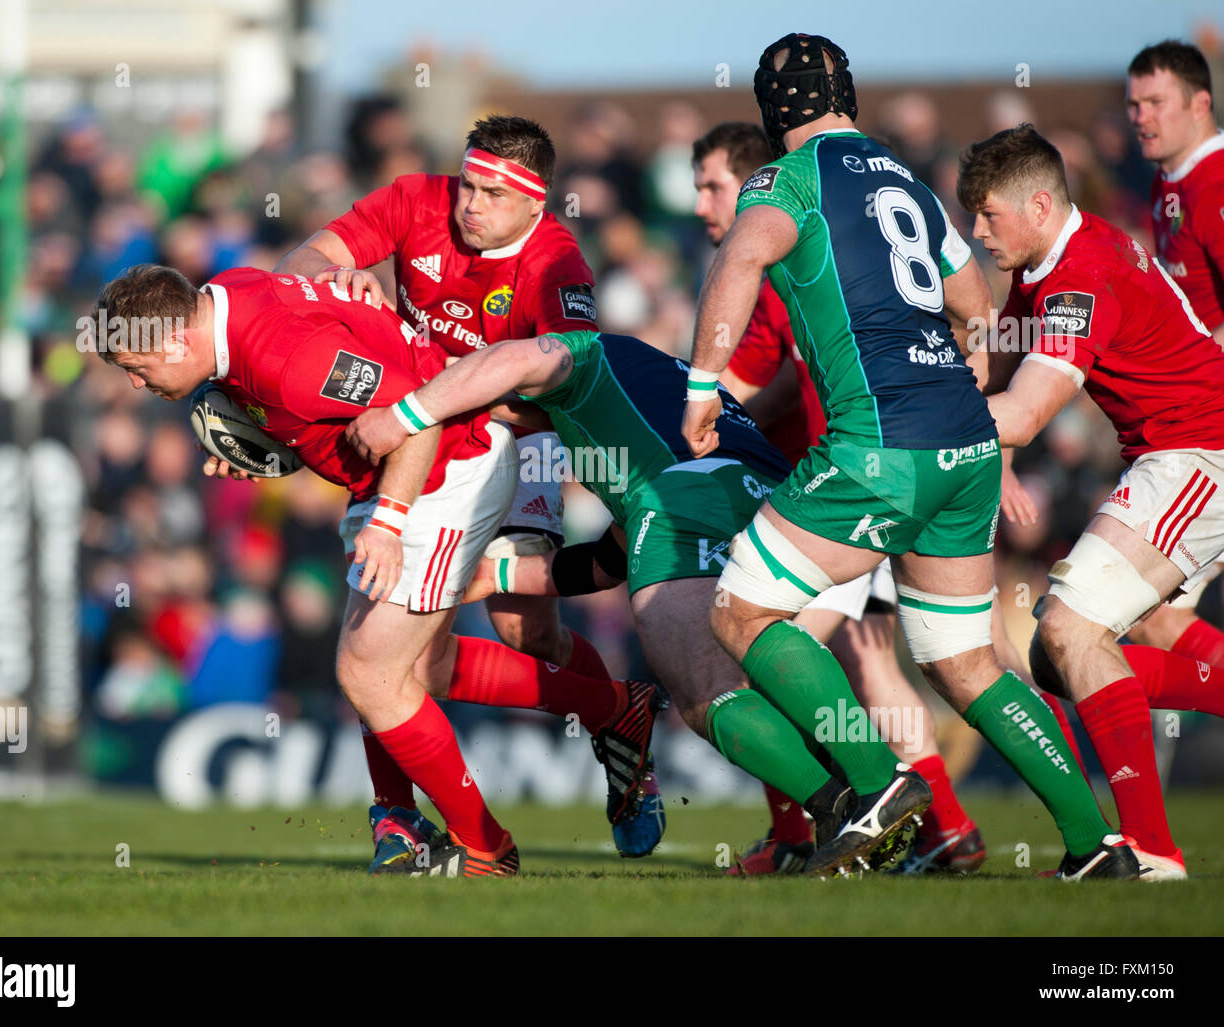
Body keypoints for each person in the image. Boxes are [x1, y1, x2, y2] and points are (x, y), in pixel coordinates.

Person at [681, 33, 1132, 879]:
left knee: (740, 610)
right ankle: (1092, 844)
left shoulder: (782, 181)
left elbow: (741, 254)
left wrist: (704, 383)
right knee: (963, 662)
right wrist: (957, 364)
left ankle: (874, 783)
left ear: (772, 110)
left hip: (879, 443)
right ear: (845, 94)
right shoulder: (907, 182)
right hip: (966, 443)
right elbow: (977, 300)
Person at [92, 262, 663, 876]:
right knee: (420, 668)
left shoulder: (283, 358)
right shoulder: (228, 292)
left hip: (441, 475)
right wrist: (263, 441)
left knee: (368, 675)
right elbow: (327, 373)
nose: (133, 382)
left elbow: (414, 411)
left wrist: (388, 524)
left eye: (135, 365)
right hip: (397, 482)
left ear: (176, 339)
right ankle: (602, 714)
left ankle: (483, 844)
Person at [349, 327, 930, 877]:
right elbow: (607, 563)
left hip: (689, 491)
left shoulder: (584, 357)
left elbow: (506, 362)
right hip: (770, 493)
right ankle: (862, 795)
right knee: (754, 645)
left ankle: (857, 793)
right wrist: (496, 573)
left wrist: (408, 411)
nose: (494, 413)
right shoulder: (634, 403)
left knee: (705, 690)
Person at [694, 120, 987, 874]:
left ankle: (832, 818)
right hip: (875, 475)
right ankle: (944, 825)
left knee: (751, 641)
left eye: (714, 185)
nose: (701, 204)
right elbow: (757, 388)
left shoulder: (792, 250)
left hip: (862, 479)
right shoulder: (797, 263)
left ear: (761, 182)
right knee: (882, 665)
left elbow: (733, 386)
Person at [959, 124, 1224, 880]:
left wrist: (912, 429)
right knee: (1060, 654)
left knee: (1073, 629)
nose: (977, 231)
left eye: (987, 215)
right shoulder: (1041, 262)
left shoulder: (1077, 278)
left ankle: (1150, 852)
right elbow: (995, 366)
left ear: (1038, 204)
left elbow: (1028, 409)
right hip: (1172, 455)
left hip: (1200, 453)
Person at [275, 115, 604, 684]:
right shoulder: (414, 199)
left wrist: (443, 389)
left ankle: (617, 714)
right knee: (394, 644)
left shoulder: (558, 268)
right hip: (417, 434)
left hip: (521, 444)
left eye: (493, 194)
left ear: (535, 204)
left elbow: (566, 403)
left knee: (528, 634)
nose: (470, 205)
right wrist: (335, 279)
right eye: (468, 185)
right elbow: (294, 268)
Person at [1122, 41, 1224, 664]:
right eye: (1133, 104)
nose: (1139, 116)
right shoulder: (1170, 181)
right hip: (1195, 424)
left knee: (1131, 605)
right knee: (1152, 617)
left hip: (1208, 435)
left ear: (1200, 103)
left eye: (1155, 101)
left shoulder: (1214, 182)